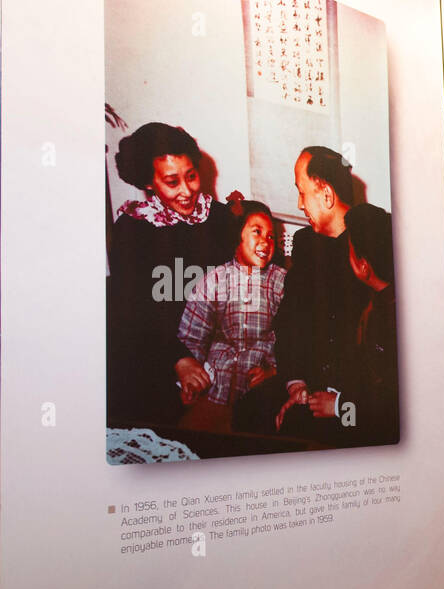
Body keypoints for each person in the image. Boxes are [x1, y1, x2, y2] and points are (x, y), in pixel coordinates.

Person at [107, 122, 232, 429]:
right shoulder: (132, 228)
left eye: (191, 176)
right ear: (149, 183)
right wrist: (178, 359)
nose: (187, 191)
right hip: (155, 351)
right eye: (171, 182)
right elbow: (133, 311)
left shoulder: (220, 218)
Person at [252, 146, 369, 442]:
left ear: (326, 195)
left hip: (354, 395)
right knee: (251, 411)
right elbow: (289, 322)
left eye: (302, 193)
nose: (299, 204)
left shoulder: (374, 242)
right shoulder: (305, 244)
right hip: (308, 383)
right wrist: (295, 383)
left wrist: (341, 401)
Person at [175, 200, 285, 433]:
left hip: (259, 390)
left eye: (271, 236)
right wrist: (190, 379)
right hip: (216, 386)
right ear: (237, 235)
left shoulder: (281, 282)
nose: (266, 241)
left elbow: (293, 337)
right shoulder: (213, 280)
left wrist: (274, 370)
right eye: (257, 232)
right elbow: (192, 337)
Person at [334, 203, 399, 446]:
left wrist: (340, 404)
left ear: (363, 266)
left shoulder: (388, 319)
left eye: (350, 250)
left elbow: (389, 401)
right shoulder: (379, 300)